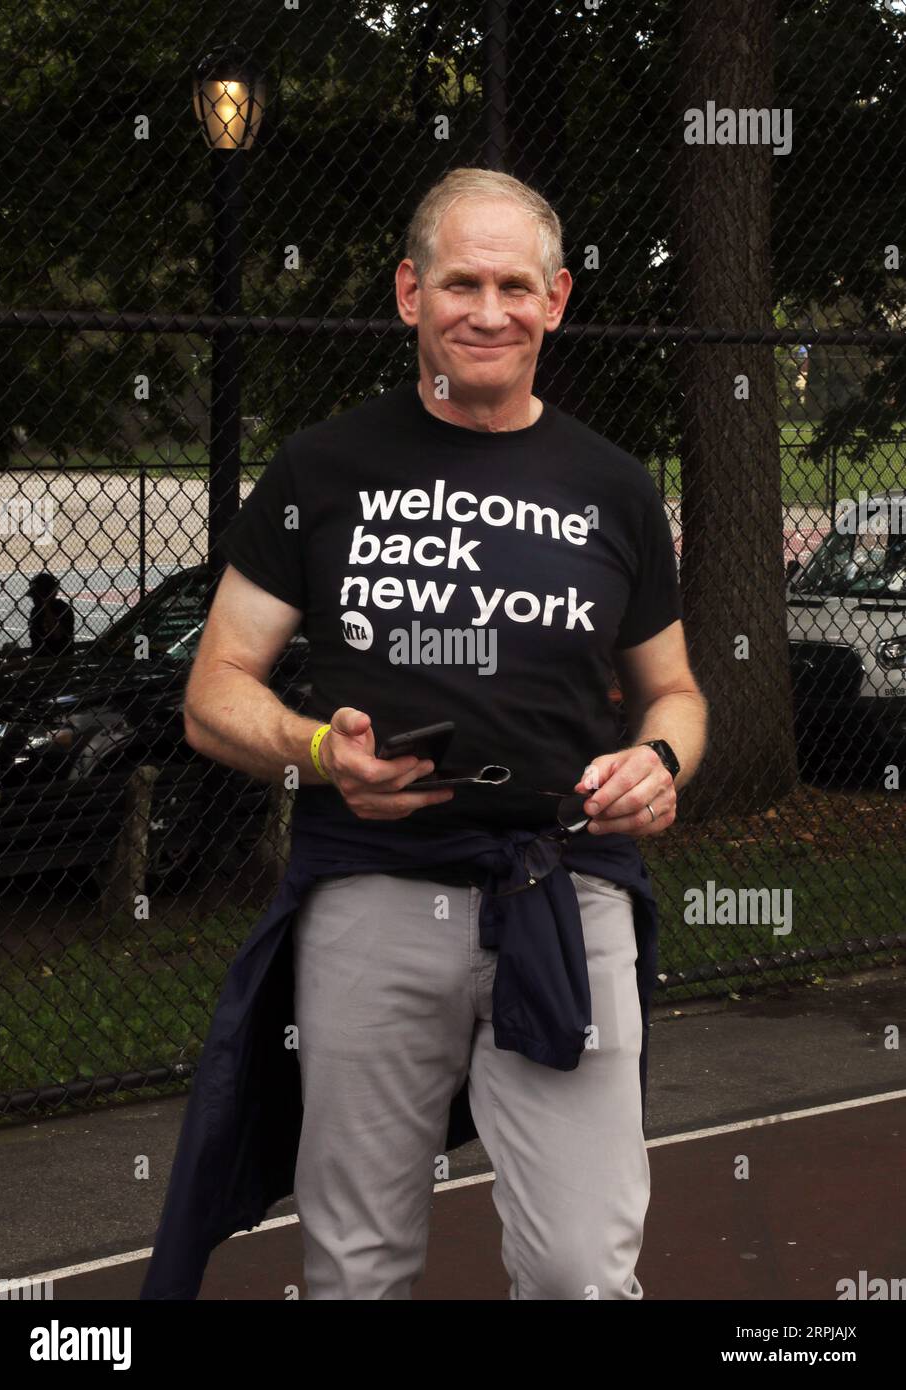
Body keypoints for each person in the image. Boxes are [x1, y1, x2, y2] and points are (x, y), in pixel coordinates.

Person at [163, 167, 708, 1301]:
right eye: (461, 280)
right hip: (371, 884)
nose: (489, 309)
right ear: (410, 292)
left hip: (563, 889)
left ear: (556, 300)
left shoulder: (612, 488)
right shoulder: (321, 469)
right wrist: (318, 752)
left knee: (578, 1270)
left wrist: (658, 763)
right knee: (355, 1260)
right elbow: (214, 688)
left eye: (516, 284)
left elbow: (675, 693)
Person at [26, 571, 74, 658]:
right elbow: (34, 639)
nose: (33, 600)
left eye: (36, 597)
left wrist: (46, 607)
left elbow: (57, 636)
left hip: (62, 658)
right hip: (39, 659)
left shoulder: (62, 608)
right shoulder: (36, 611)